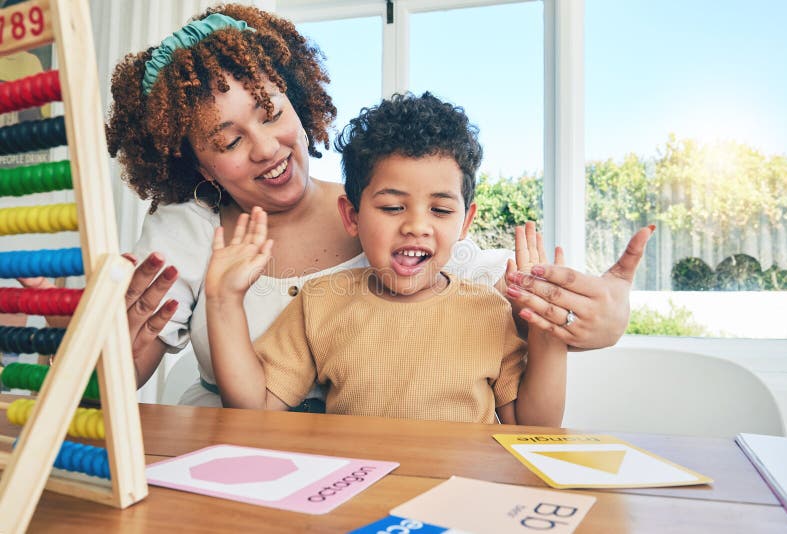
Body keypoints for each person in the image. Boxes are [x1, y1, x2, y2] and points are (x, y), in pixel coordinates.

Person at [100, 4, 650, 408]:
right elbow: (124, 372)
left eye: (271, 115)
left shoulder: (384, 209)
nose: (266, 148)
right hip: (239, 446)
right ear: (196, 164)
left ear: (298, 100)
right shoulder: (186, 232)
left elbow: (498, 292)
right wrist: (96, 344)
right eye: (229, 141)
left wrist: (604, 311)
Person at [205, 92, 567, 425]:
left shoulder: (491, 311)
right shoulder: (319, 303)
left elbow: (533, 430)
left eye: (440, 210)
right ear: (352, 216)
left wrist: (547, 334)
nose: (416, 226)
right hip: (358, 490)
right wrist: (224, 302)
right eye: (393, 207)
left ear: (465, 223)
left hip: (460, 489)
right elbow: (253, 409)